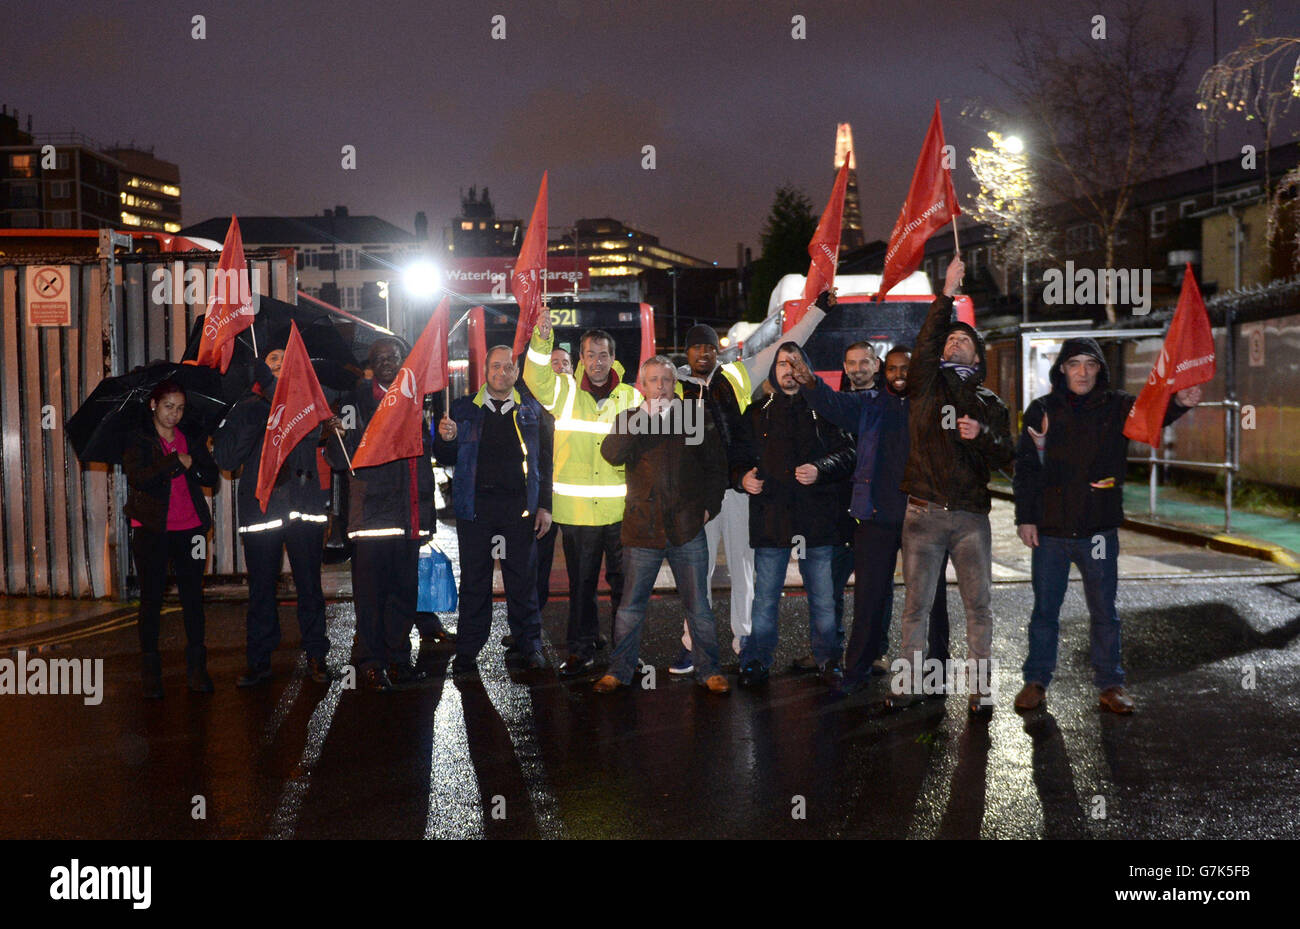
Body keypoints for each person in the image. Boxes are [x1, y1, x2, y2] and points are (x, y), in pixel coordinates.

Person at [1013, 338, 1201, 714]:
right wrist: (1026, 518)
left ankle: (1111, 683)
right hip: (1050, 530)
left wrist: (1179, 403)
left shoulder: (1119, 406)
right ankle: (1035, 681)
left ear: (1100, 369)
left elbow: (1152, 416)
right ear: (1062, 369)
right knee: (1045, 611)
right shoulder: (1041, 409)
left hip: (1098, 529)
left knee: (1104, 611)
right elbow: (1026, 468)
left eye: (1090, 364)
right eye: (1074, 364)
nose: (1082, 372)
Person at [668, 298, 834, 676]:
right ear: (687, 351)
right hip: (698, 495)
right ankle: (693, 644)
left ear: (717, 350)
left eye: (710, 346)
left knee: (744, 569)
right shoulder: (673, 387)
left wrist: (818, 311)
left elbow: (785, 345)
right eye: (696, 346)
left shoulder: (739, 375)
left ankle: (744, 641)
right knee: (699, 571)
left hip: (742, 490)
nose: (704, 352)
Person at [888, 257, 1014, 716]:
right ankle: (907, 684)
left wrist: (983, 436)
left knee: (978, 608)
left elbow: (1009, 458)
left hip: (970, 517)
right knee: (915, 608)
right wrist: (947, 293)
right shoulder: (925, 384)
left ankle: (981, 691)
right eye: (950, 338)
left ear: (977, 357)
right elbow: (923, 344)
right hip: (921, 514)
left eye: (965, 340)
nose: (956, 341)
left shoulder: (991, 403)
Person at [792, 343, 952, 695]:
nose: (898, 375)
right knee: (868, 599)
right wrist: (811, 384)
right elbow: (834, 405)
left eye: (905, 369)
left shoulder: (931, 406)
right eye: (892, 369)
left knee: (932, 601)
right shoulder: (869, 405)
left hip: (924, 519)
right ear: (884, 371)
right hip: (876, 518)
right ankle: (856, 671)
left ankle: (938, 675)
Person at [593, 356, 731, 693]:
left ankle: (708, 670)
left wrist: (708, 509)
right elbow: (611, 454)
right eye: (653, 380)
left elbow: (717, 468)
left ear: (675, 384)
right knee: (630, 607)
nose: (660, 386)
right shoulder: (630, 418)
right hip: (642, 530)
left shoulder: (694, 416)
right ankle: (619, 671)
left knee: (698, 606)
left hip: (687, 529)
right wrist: (642, 418)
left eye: (666, 380)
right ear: (642, 385)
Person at [523, 312, 642, 678]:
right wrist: (542, 340)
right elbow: (533, 376)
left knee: (625, 589)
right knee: (582, 587)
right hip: (577, 514)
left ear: (612, 357)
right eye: (590, 355)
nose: (596, 362)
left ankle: (626, 654)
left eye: (603, 354)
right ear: (581, 358)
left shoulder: (632, 396)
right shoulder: (564, 390)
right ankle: (580, 650)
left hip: (622, 512)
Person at [731, 341, 855, 688]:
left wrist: (821, 468)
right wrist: (742, 478)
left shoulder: (825, 408)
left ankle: (829, 659)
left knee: (823, 598)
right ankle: (756, 659)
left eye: (795, 363)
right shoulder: (756, 412)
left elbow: (849, 453)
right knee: (766, 597)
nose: (788, 370)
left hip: (818, 520)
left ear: (807, 369)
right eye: (782, 364)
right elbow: (735, 457)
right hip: (772, 519)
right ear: (774, 370)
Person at [212, 345, 337, 687]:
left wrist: (276, 393)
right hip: (261, 515)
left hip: (304, 511)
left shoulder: (309, 403)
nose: (280, 363)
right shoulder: (247, 406)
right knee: (261, 591)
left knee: (310, 588)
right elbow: (225, 459)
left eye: (285, 359)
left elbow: (313, 432)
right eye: (272, 360)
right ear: (260, 370)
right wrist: (257, 412)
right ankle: (259, 662)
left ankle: (316, 655)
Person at [436, 345, 553, 675]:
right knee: (474, 582)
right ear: (485, 371)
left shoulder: (532, 410)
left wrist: (545, 505)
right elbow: (444, 457)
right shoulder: (462, 408)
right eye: (495, 367)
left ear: (516, 373)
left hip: (519, 509)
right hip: (476, 510)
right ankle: (468, 650)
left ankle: (529, 644)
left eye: (508, 368)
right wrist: (447, 440)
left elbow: (545, 462)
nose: (502, 373)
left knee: (523, 581)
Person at [336, 337, 439, 692]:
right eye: (380, 358)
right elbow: (340, 462)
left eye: (394, 357)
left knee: (403, 595)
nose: (387, 363)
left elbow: (424, 460)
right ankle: (369, 662)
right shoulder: (354, 403)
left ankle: (398, 660)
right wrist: (333, 436)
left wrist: (426, 517)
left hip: (407, 517)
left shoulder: (415, 399)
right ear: (370, 364)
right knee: (370, 598)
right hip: (371, 520)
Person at [123, 380, 220, 697]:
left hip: (191, 529)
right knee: (151, 598)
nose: (174, 415)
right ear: (154, 405)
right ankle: (151, 673)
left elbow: (211, 477)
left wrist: (191, 464)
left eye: (179, 408)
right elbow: (140, 478)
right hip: (152, 530)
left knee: (194, 597)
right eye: (168, 407)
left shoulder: (189, 438)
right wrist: (174, 461)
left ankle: (197, 668)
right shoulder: (139, 440)